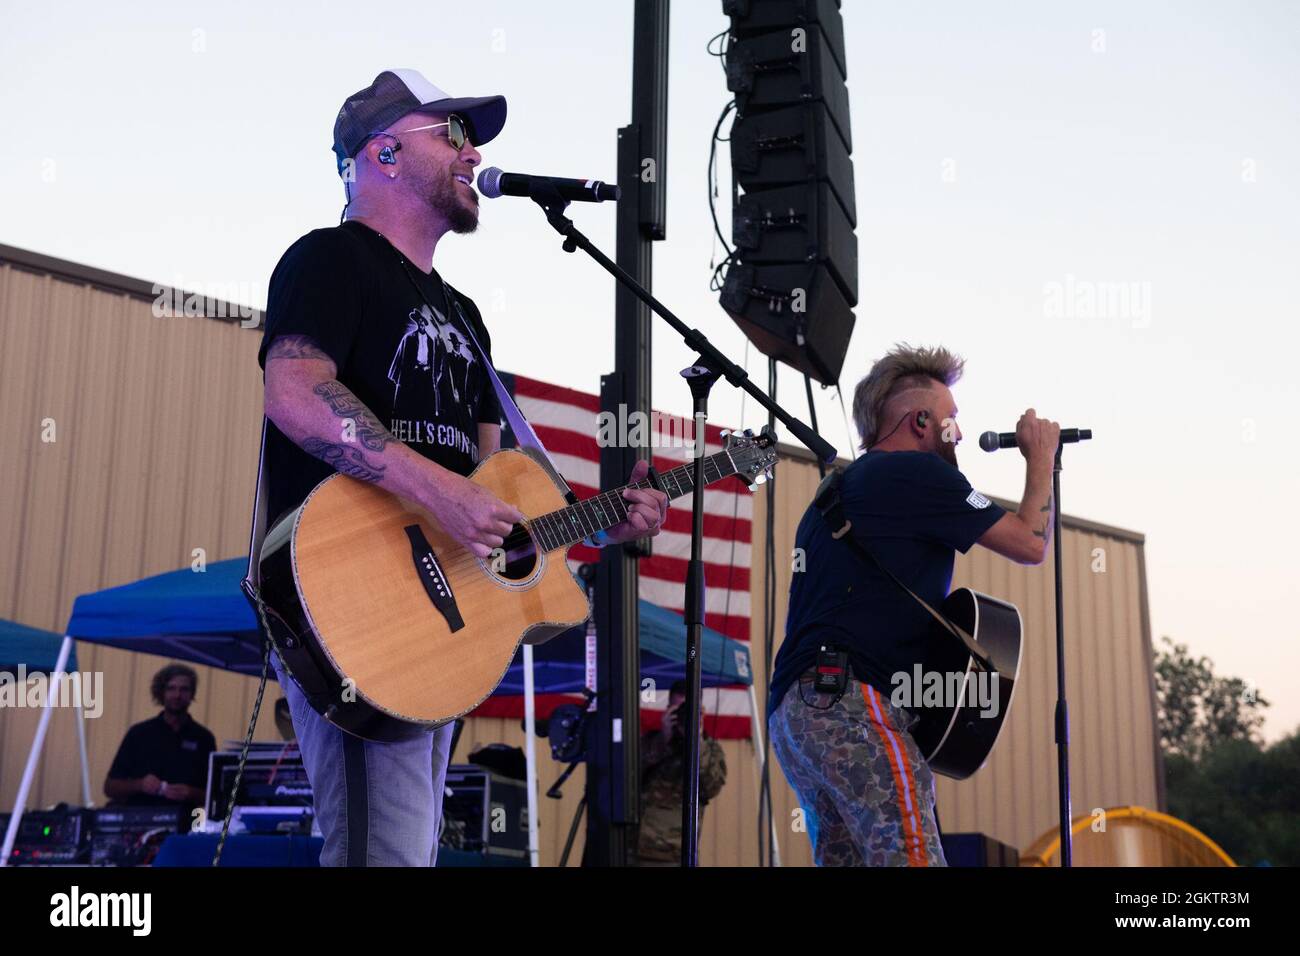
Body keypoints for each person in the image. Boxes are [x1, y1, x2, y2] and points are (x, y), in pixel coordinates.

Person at [257, 69, 668, 867]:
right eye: (449, 132)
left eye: (469, 136)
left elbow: (492, 496)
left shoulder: (465, 316)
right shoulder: (330, 259)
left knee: (400, 854)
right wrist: (433, 488)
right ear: (382, 153)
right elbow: (296, 393)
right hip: (355, 597)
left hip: (437, 621)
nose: (471, 150)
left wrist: (592, 523)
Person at [767, 343, 1059, 866]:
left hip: (797, 713)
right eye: (952, 421)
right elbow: (1031, 541)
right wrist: (1041, 458)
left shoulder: (836, 492)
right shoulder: (919, 474)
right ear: (920, 420)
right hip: (855, 706)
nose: (961, 436)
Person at [104, 663, 216, 824]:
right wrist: (140, 785)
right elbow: (110, 788)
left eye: (184, 689)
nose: (177, 695)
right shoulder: (139, 733)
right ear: (161, 693)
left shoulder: (204, 738)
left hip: (186, 826)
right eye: (171, 688)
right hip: (139, 824)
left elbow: (215, 797)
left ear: (192, 694)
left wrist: (191, 793)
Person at [637, 679, 727, 864]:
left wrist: (696, 740)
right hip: (635, 852)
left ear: (701, 711)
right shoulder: (650, 742)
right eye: (679, 710)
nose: (684, 716)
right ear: (669, 708)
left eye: (691, 710)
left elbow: (711, 787)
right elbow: (628, 778)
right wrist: (663, 740)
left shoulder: (710, 749)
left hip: (676, 855)